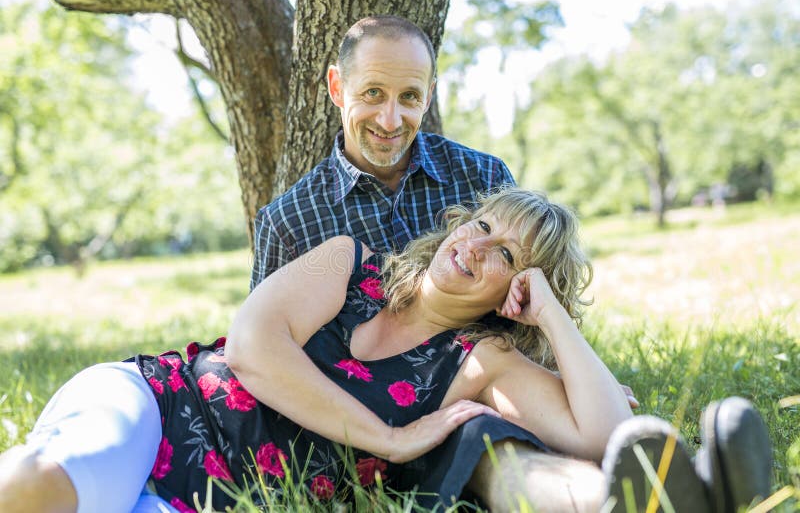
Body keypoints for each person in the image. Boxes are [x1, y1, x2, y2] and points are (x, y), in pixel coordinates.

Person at [0, 189, 772, 513]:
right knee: (37, 483)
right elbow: (252, 349)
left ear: (515, 293)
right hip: (155, 405)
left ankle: (685, 497)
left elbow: (606, 435)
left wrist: (555, 321)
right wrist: (391, 437)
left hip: (203, 497)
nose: (477, 248)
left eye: (507, 255)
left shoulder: (480, 363)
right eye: (482, 226)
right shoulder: (349, 262)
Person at [249, 14, 515, 290]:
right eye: (373, 92)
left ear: (428, 97)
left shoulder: (486, 180)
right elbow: (257, 332)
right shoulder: (286, 224)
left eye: (409, 96)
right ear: (337, 87)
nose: (391, 122)